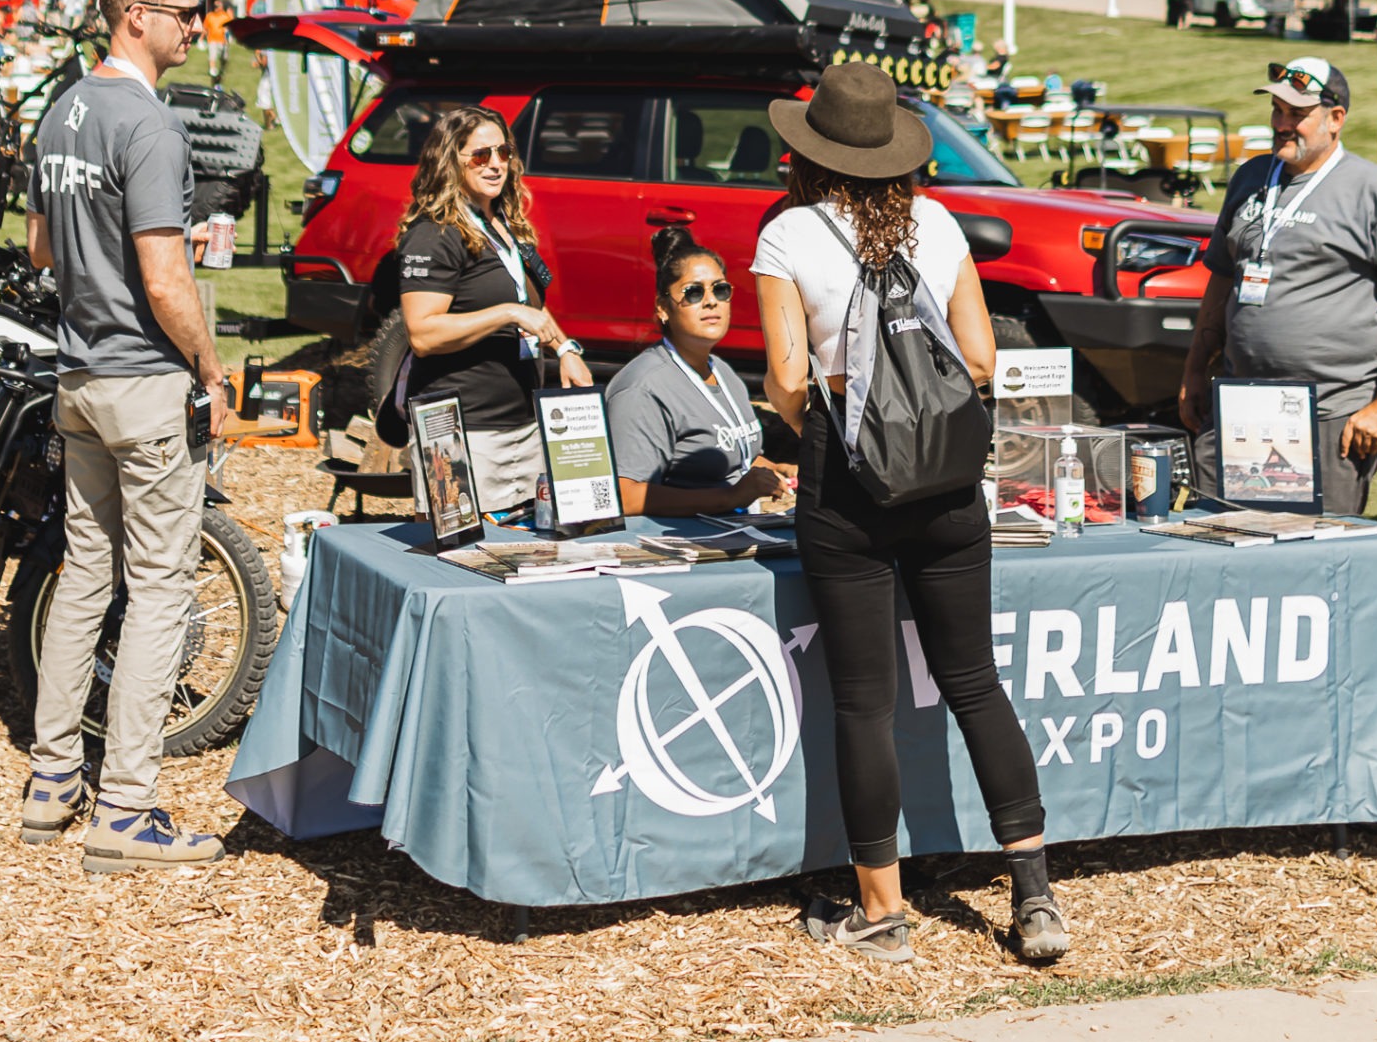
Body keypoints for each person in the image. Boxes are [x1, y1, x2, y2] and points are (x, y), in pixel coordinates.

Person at [754, 61, 1065, 968]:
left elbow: (785, 379)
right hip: (946, 477)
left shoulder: (787, 235)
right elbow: (982, 359)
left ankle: (882, 914)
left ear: (810, 153)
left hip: (847, 480)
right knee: (976, 681)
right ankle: (1035, 895)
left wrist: (832, 416)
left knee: (865, 701)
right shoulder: (938, 222)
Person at [21, 0, 233, 875]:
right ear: (134, 15)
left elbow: (39, 248)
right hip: (144, 380)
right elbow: (165, 277)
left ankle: (51, 779)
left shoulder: (62, 110)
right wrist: (212, 370)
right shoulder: (149, 126)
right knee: (158, 592)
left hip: (77, 378)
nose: (199, 28)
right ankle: (127, 808)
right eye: (186, 13)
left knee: (84, 577)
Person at [1179, 57, 1377, 514]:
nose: (1281, 124)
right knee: (1221, 537)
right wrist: (1194, 370)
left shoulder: (1375, 193)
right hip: (1240, 408)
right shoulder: (1249, 179)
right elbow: (1221, 280)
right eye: (1277, 110)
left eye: (1297, 114)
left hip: (1329, 417)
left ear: (1335, 118)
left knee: (1320, 549)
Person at [396, 105, 591, 517]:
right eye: (481, 155)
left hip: (525, 426)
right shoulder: (434, 234)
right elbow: (423, 334)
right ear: (451, 160)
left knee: (528, 546)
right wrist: (507, 313)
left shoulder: (505, 223)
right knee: (460, 548)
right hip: (458, 431)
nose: (496, 164)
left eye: (503, 152)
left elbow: (530, 306)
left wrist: (565, 349)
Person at [606, 232, 790, 515]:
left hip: (733, 528)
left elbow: (733, 459)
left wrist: (774, 470)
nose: (711, 301)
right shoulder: (643, 389)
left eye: (720, 290)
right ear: (663, 308)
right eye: (693, 292)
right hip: (677, 537)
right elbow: (624, 496)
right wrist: (728, 498)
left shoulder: (723, 371)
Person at [203, 0, 233, 84]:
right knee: (212, 56)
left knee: (224, 58)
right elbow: (205, 28)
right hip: (212, 40)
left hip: (223, 41)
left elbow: (229, 27)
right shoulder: (210, 16)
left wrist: (228, 36)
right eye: (215, 6)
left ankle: (222, 70)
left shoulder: (225, 16)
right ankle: (213, 71)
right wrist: (201, 38)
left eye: (218, 6)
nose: (216, 8)